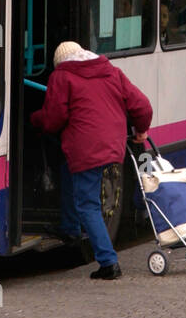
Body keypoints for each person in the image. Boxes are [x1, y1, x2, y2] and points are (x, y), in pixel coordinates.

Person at [30, 41, 153, 280]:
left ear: (60, 62)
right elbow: (142, 106)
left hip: (87, 149)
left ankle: (108, 263)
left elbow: (54, 118)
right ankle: (69, 228)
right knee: (68, 169)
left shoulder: (61, 77)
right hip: (112, 145)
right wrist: (141, 130)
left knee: (88, 205)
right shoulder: (111, 71)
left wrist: (35, 119)